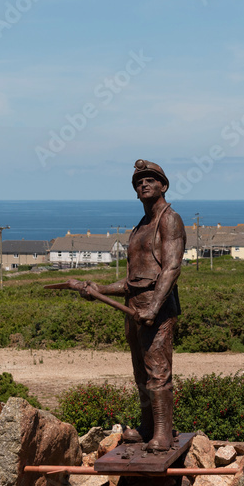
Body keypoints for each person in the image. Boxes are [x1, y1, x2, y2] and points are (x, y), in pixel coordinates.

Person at [81, 160, 186, 452]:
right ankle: (147, 426)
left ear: (163, 186)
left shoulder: (170, 219)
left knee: (158, 372)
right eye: (139, 181)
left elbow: (171, 268)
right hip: (134, 310)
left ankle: (163, 433)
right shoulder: (140, 227)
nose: (144, 184)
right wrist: (99, 289)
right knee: (140, 372)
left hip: (157, 310)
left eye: (150, 179)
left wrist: (153, 307)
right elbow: (132, 281)